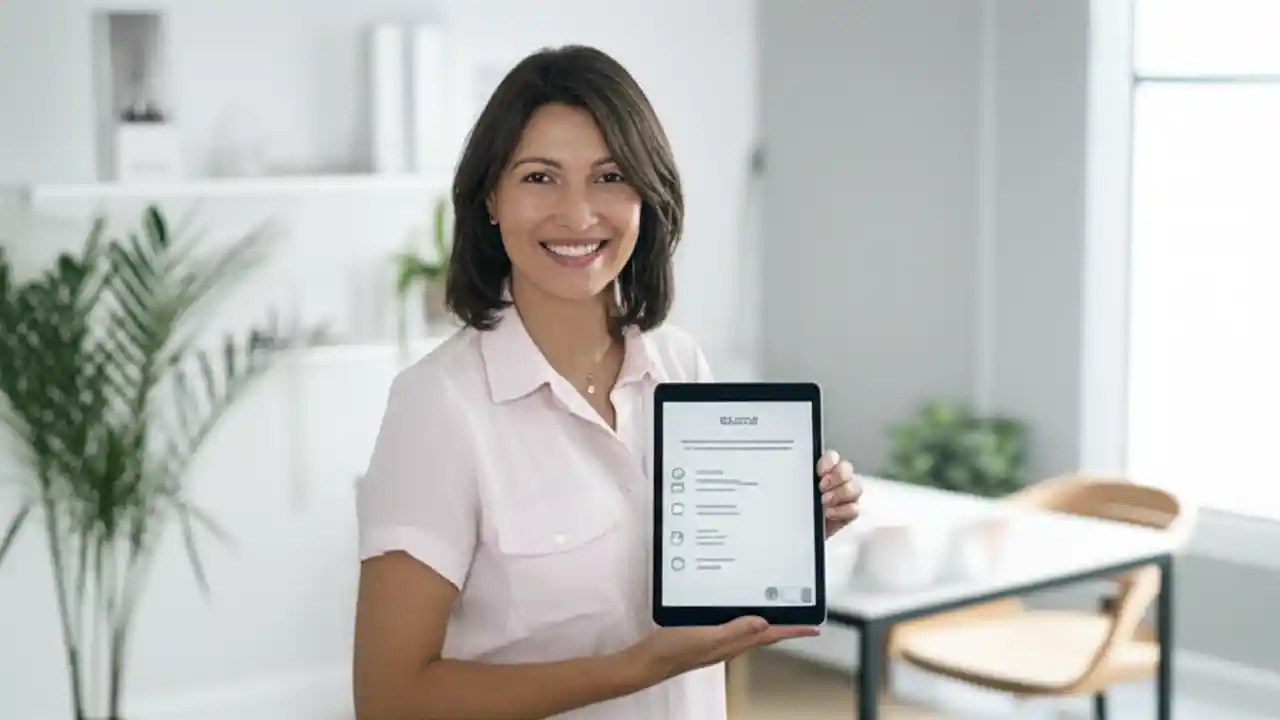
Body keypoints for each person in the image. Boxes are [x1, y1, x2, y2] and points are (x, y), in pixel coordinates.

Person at [352, 44, 863, 720]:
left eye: (610, 176)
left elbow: (701, 591)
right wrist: (634, 668)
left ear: (647, 196)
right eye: (540, 178)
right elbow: (391, 700)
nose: (579, 214)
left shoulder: (679, 365)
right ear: (491, 199)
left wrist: (779, 531)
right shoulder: (437, 408)